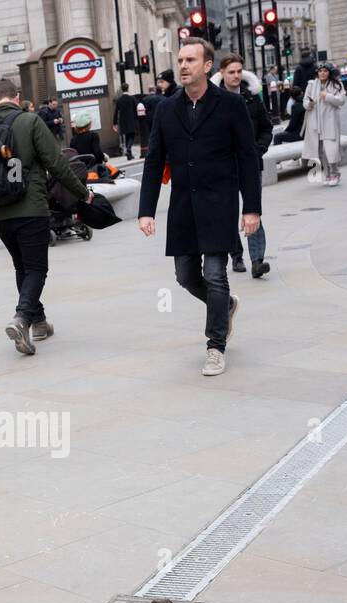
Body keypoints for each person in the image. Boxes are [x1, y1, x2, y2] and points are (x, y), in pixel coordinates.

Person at [139, 38, 262, 377]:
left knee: (215, 275)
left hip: (219, 203)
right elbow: (154, 162)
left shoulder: (230, 106)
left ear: (207, 66)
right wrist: (146, 210)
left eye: (190, 60)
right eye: (180, 59)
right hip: (183, 207)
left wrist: (251, 208)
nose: (183, 66)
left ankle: (215, 346)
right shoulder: (166, 109)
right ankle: (225, 308)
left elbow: (248, 159)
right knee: (185, 276)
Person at [0, 79, 89, 355]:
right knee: (37, 269)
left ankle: (38, 324)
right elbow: (58, 164)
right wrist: (82, 193)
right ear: (17, 97)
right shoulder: (30, 121)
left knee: (21, 267)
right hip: (31, 208)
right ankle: (21, 318)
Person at [221, 55, 272, 279]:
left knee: (253, 209)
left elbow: (266, 128)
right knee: (228, 212)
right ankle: (236, 255)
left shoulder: (251, 98)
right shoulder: (214, 100)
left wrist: (257, 150)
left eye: (239, 71)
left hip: (250, 164)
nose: (236, 76)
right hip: (224, 166)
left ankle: (258, 260)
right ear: (222, 73)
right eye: (231, 72)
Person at [302, 62, 346, 186]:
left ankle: (335, 173)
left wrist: (327, 96)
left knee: (330, 150)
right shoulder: (311, 85)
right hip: (315, 122)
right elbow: (305, 101)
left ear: (329, 72)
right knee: (320, 151)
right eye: (320, 71)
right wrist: (309, 104)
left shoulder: (336, 84)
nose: (322, 73)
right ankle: (327, 174)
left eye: (325, 71)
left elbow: (341, 100)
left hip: (330, 121)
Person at [113, 82, 139, 159]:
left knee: (127, 136)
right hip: (131, 120)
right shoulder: (132, 99)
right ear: (128, 88)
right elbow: (136, 109)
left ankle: (129, 155)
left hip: (123, 121)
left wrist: (114, 123)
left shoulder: (119, 100)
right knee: (132, 136)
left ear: (122, 89)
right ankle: (128, 149)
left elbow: (116, 112)